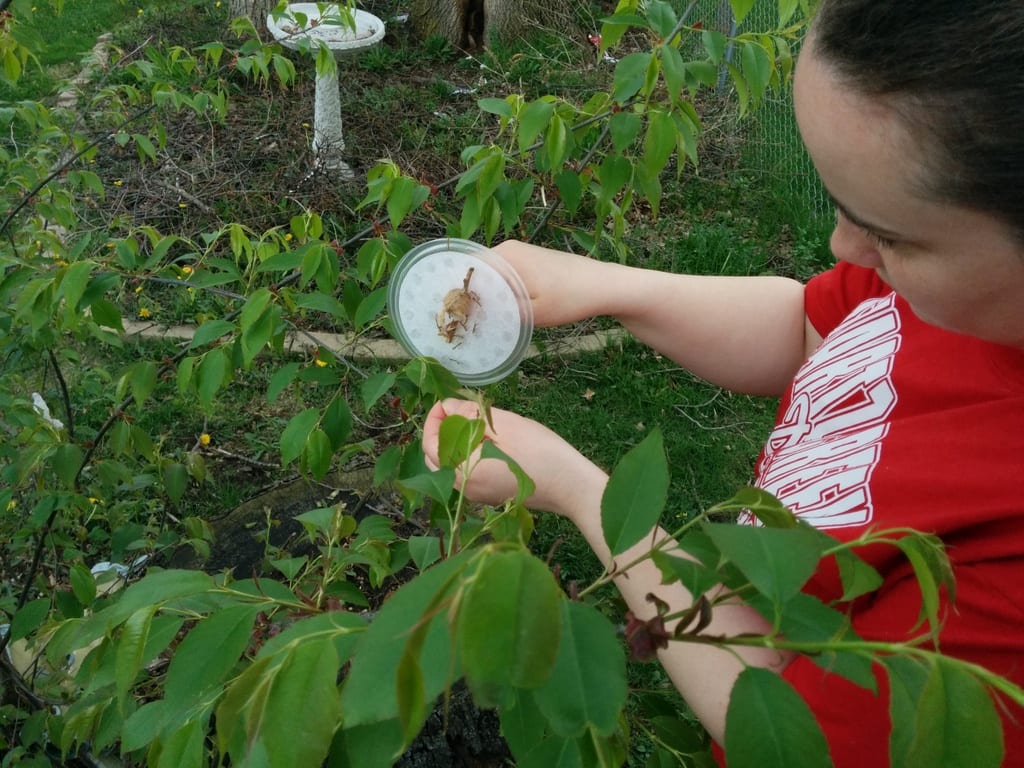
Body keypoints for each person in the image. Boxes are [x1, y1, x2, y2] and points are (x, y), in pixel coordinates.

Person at [420, 1, 1024, 764]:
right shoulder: (964, 293)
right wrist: (607, 285)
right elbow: (814, 328)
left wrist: (579, 491)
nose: (842, 246)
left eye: (891, 234)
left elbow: (783, 722)